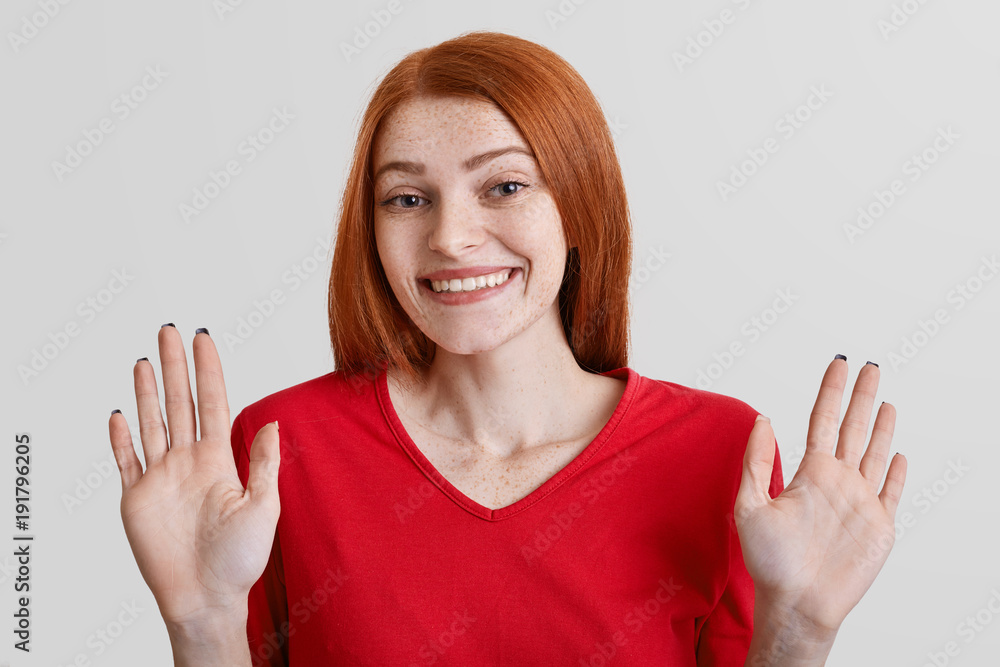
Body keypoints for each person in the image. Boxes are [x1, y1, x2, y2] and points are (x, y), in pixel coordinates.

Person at [107, 31, 908, 666]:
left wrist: (799, 632)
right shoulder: (283, 449)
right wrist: (202, 624)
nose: (450, 238)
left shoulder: (722, 453)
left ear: (580, 204)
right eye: (408, 198)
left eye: (505, 185)